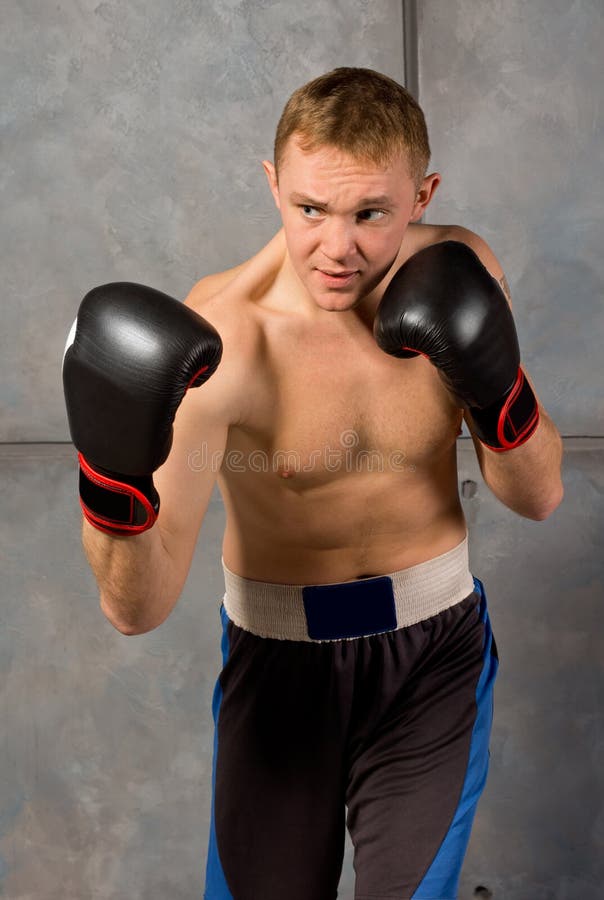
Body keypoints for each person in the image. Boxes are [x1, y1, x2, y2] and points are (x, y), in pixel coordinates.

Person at [63, 68, 564, 900]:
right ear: (273, 187)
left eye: (371, 213)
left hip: (434, 656)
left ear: (421, 192)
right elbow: (134, 609)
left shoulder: (460, 268)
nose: (338, 247)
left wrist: (500, 390)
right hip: (280, 671)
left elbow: (538, 494)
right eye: (309, 210)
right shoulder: (224, 339)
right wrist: (111, 477)